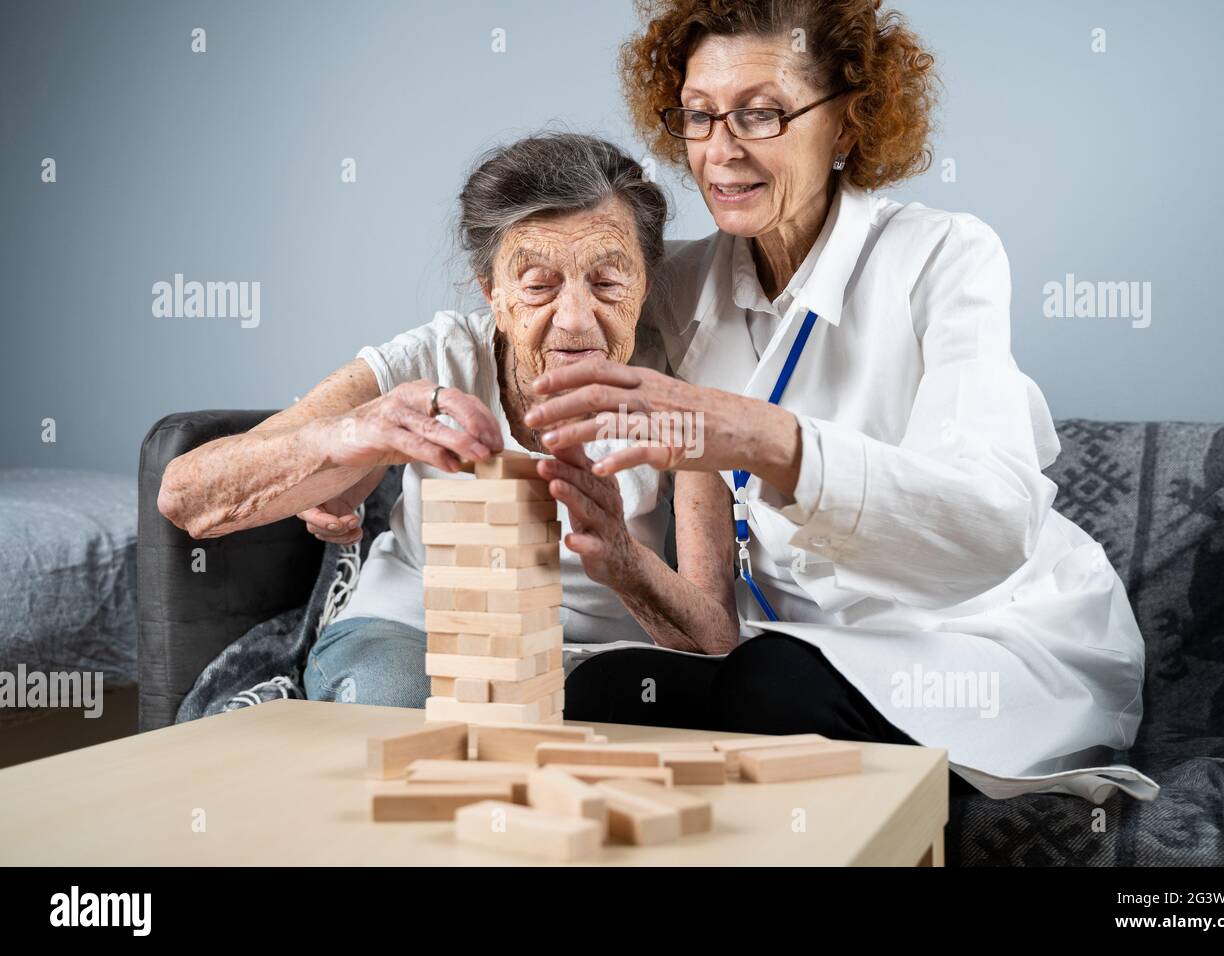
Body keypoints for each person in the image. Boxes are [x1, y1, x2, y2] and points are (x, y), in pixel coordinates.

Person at [524, 0, 1157, 802]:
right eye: (698, 116)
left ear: (850, 125)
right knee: (599, 697)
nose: (720, 152)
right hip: (791, 645)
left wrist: (764, 439)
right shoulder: (677, 286)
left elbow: (991, 528)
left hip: (976, 634)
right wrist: (348, 432)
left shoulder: (944, 258)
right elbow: (512, 316)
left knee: (768, 693)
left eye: (760, 114)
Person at [158, 132, 730, 707]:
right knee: (409, 718)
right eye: (538, 286)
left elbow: (714, 637)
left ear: (647, 283)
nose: (577, 321)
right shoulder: (436, 356)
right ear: (491, 293)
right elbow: (186, 495)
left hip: (601, 661)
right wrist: (353, 434)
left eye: (607, 282)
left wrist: (623, 559)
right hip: (415, 632)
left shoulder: (682, 392)